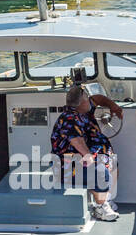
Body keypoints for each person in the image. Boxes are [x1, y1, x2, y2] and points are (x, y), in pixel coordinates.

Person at [51, 84, 122, 221]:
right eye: (87, 98)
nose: (90, 100)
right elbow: (77, 141)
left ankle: (105, 199)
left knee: (111, 161)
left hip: (89, 155)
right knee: (99, 171)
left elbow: (98, 99)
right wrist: (89, 157)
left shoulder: (84, 110)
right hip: (68, 164)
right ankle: (100, 207)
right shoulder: (69, 119)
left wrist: (113, 106)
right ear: (82, 103)